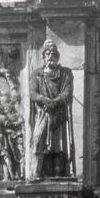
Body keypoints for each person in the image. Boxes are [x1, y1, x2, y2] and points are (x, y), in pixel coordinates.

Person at [29, 40, 75, 178]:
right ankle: (37, 172)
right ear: (44, 56)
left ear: (57, 56)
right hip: (43, 113)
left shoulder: (65, 73)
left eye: (54, 53)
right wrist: (45, 100)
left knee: (58, 147)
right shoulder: (36, 74)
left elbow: (67, 92)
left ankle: (59, 174)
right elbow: (32, 93)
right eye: (48, 53)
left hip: (59, 114)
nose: (51, 55)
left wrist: (54, 102)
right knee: (38, 141)